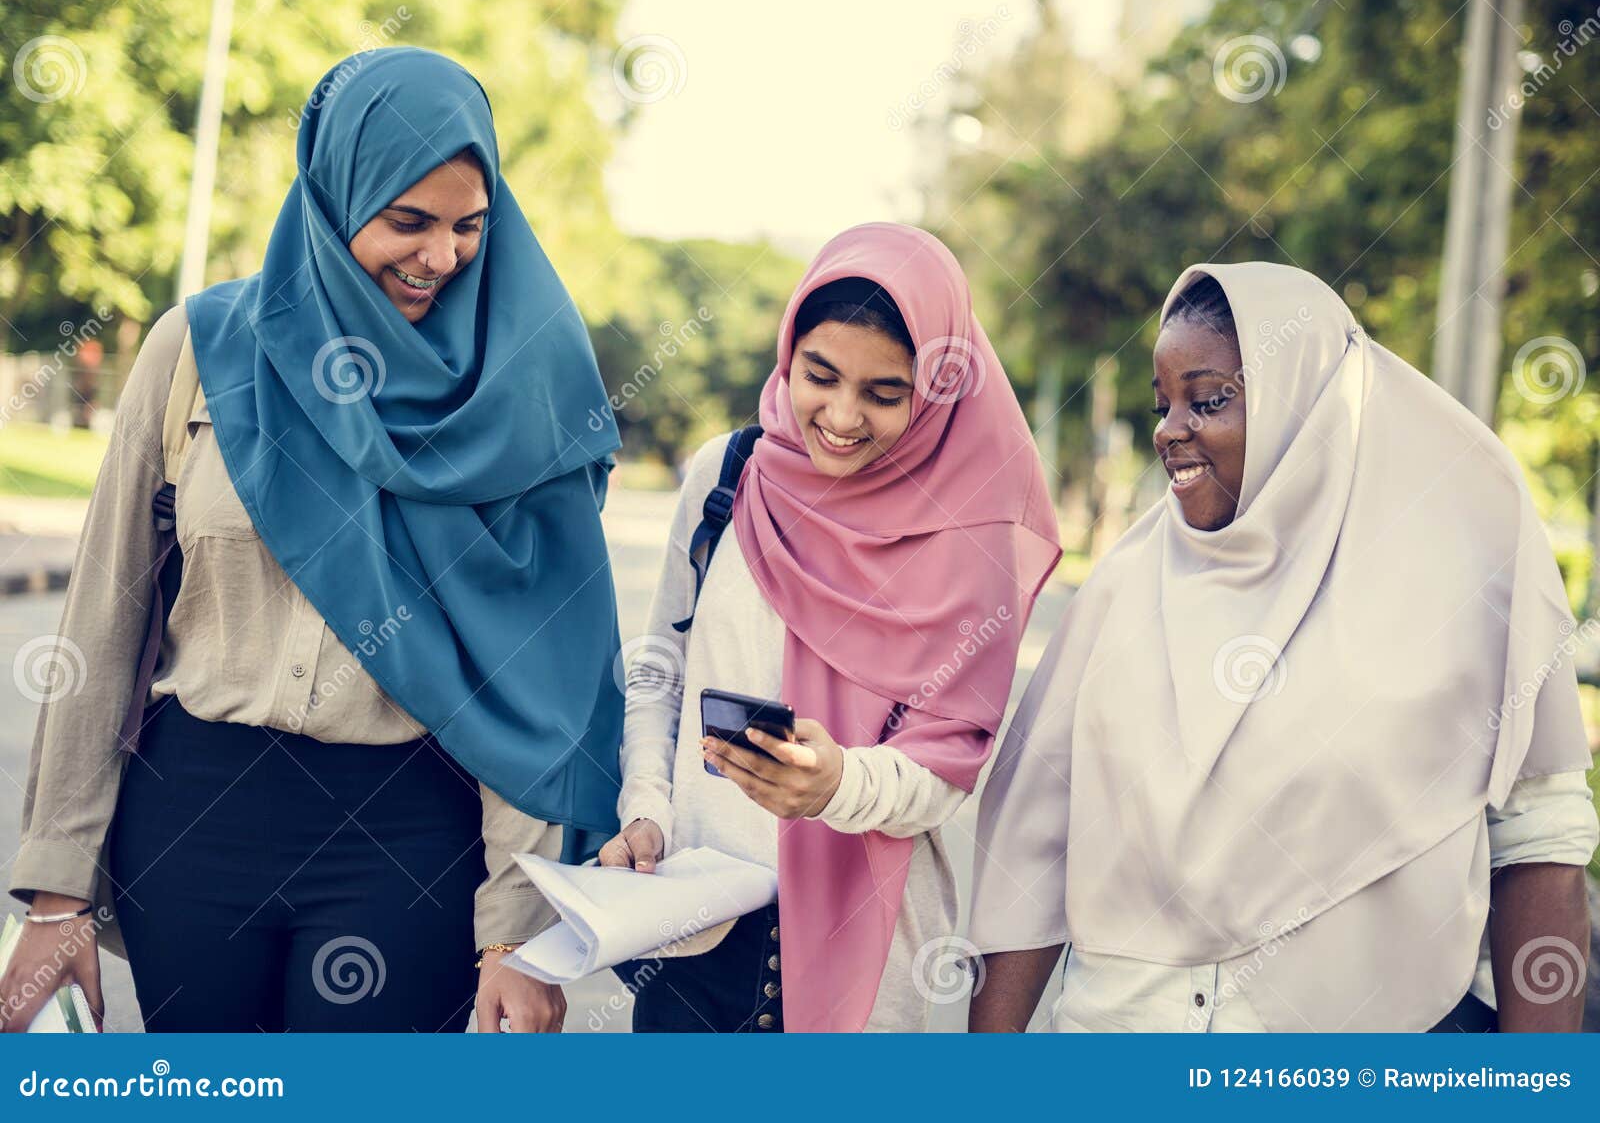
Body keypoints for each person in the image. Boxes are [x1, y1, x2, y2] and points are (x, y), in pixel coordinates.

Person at [2, 48, 624, 1033]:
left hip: (406, 832)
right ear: (333, 202)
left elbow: (534, 679)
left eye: (470, 226)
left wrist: (514, 931)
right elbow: (103, 618)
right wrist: (54, 895)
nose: (440, 258)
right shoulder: (199, 351)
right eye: (407, 222)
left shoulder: (517, 391)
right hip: (192, 819)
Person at [968, 262, 1598, 1033]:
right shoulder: (1119, 591)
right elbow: (1030, 857)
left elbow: (1540, 843)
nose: (1169, 430)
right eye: (1163, 403)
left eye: (1209, 400)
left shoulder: (1460, 580)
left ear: (1311, 402)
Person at [600, 222, 1061, 1031]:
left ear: (937, 391)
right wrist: (647, 807)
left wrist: (838, 784)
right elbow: (659, 669)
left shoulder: (969, 536)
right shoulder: (728, 475)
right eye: (819, 375)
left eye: (885, 394)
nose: (842, 417)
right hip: (691, 930)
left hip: (868, 957)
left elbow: (948, 764)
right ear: (788, 354)